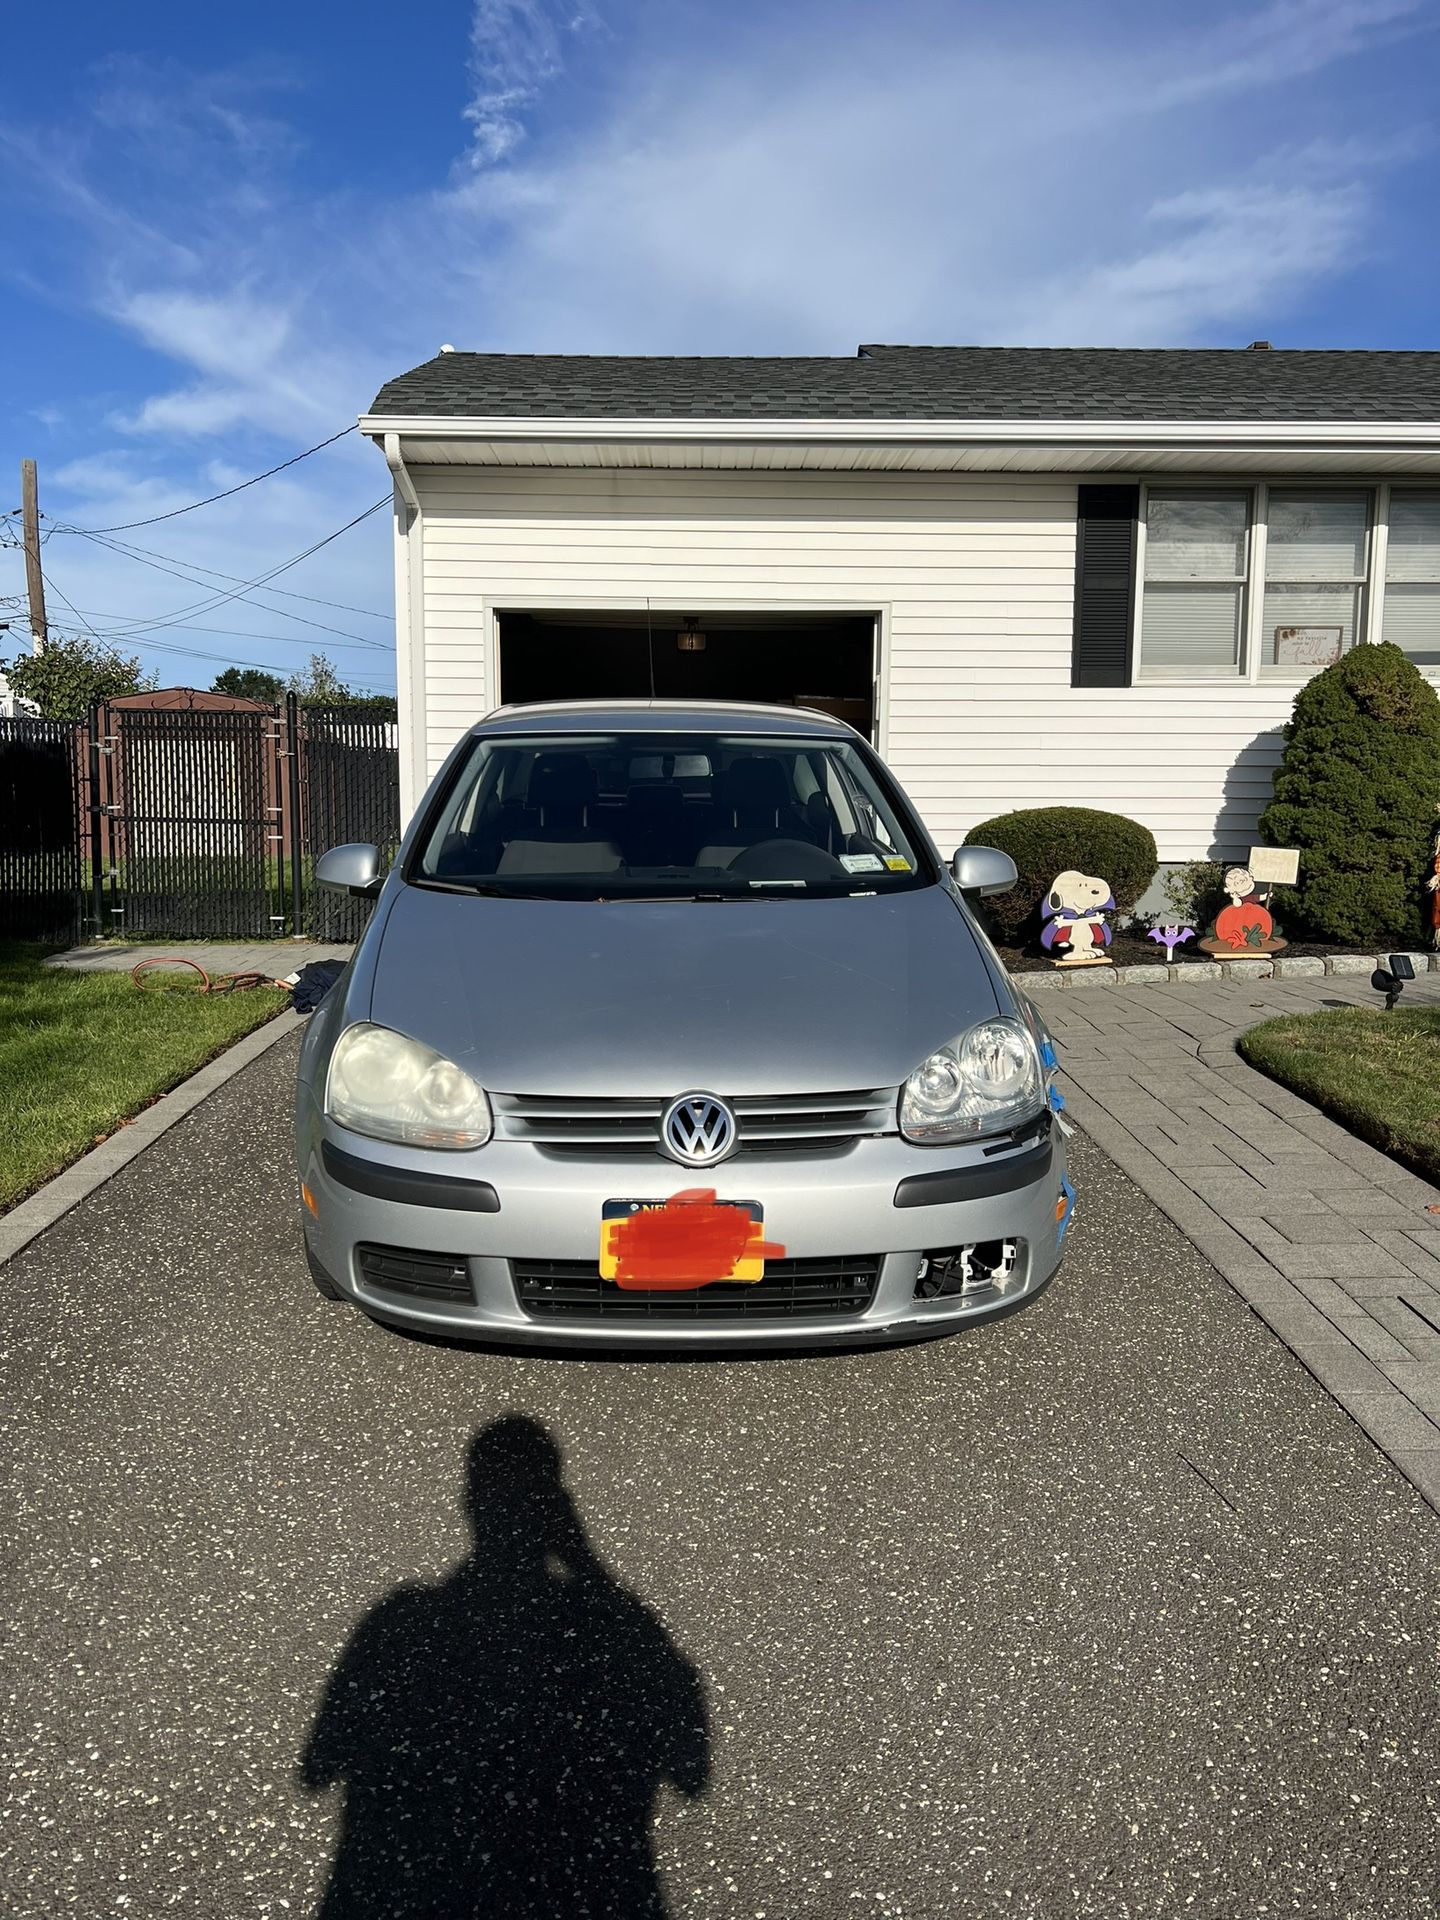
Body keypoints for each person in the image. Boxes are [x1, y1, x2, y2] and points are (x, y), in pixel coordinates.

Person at [300, 1417, 710, 1918]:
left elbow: (320, 1764)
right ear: (556, 1514)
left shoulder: (401, 1626)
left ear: (469, 1504)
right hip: (580, 1893)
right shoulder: (606, 1631)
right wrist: (587, 1564)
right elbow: (689, 1766)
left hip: (421, 1896)